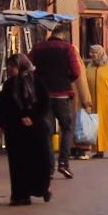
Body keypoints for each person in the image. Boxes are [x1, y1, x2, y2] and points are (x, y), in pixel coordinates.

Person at [0, 54, 54, 205]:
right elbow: (3, 107)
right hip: (15, 130)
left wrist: (33, 118)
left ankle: (41, 189)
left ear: (21, 66)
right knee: (17, 164)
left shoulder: (36, 82)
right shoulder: (8, 85)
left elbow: (45, 103)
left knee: (38, 161)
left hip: (34, 130)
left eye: (12, 66)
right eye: (8, 66)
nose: (9, 69)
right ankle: (20, 195)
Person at [30, 24, 84, 178]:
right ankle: (63, 163)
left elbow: (27, 65)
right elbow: (76, 71)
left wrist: (37, 82)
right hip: (62, 95)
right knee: (66, 128)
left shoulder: (38, 48)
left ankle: (48, 167)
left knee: (46, 131)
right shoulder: (67, 49)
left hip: (43, 95)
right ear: (64, 35)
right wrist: (66, 80)